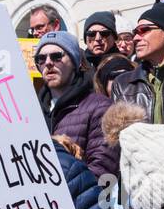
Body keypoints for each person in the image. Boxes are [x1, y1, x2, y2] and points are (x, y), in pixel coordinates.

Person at [35, 31, 119, 179]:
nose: (48, 62)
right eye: (41, 58)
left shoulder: (101, 107)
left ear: (75, 62)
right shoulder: (30, 113)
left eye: (57, 56)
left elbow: (101, 171)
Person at [110, 0, 164, 124]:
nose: (136, 38)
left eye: (143, 30)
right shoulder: (123, 84)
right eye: (135, 32)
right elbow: (118, 137)